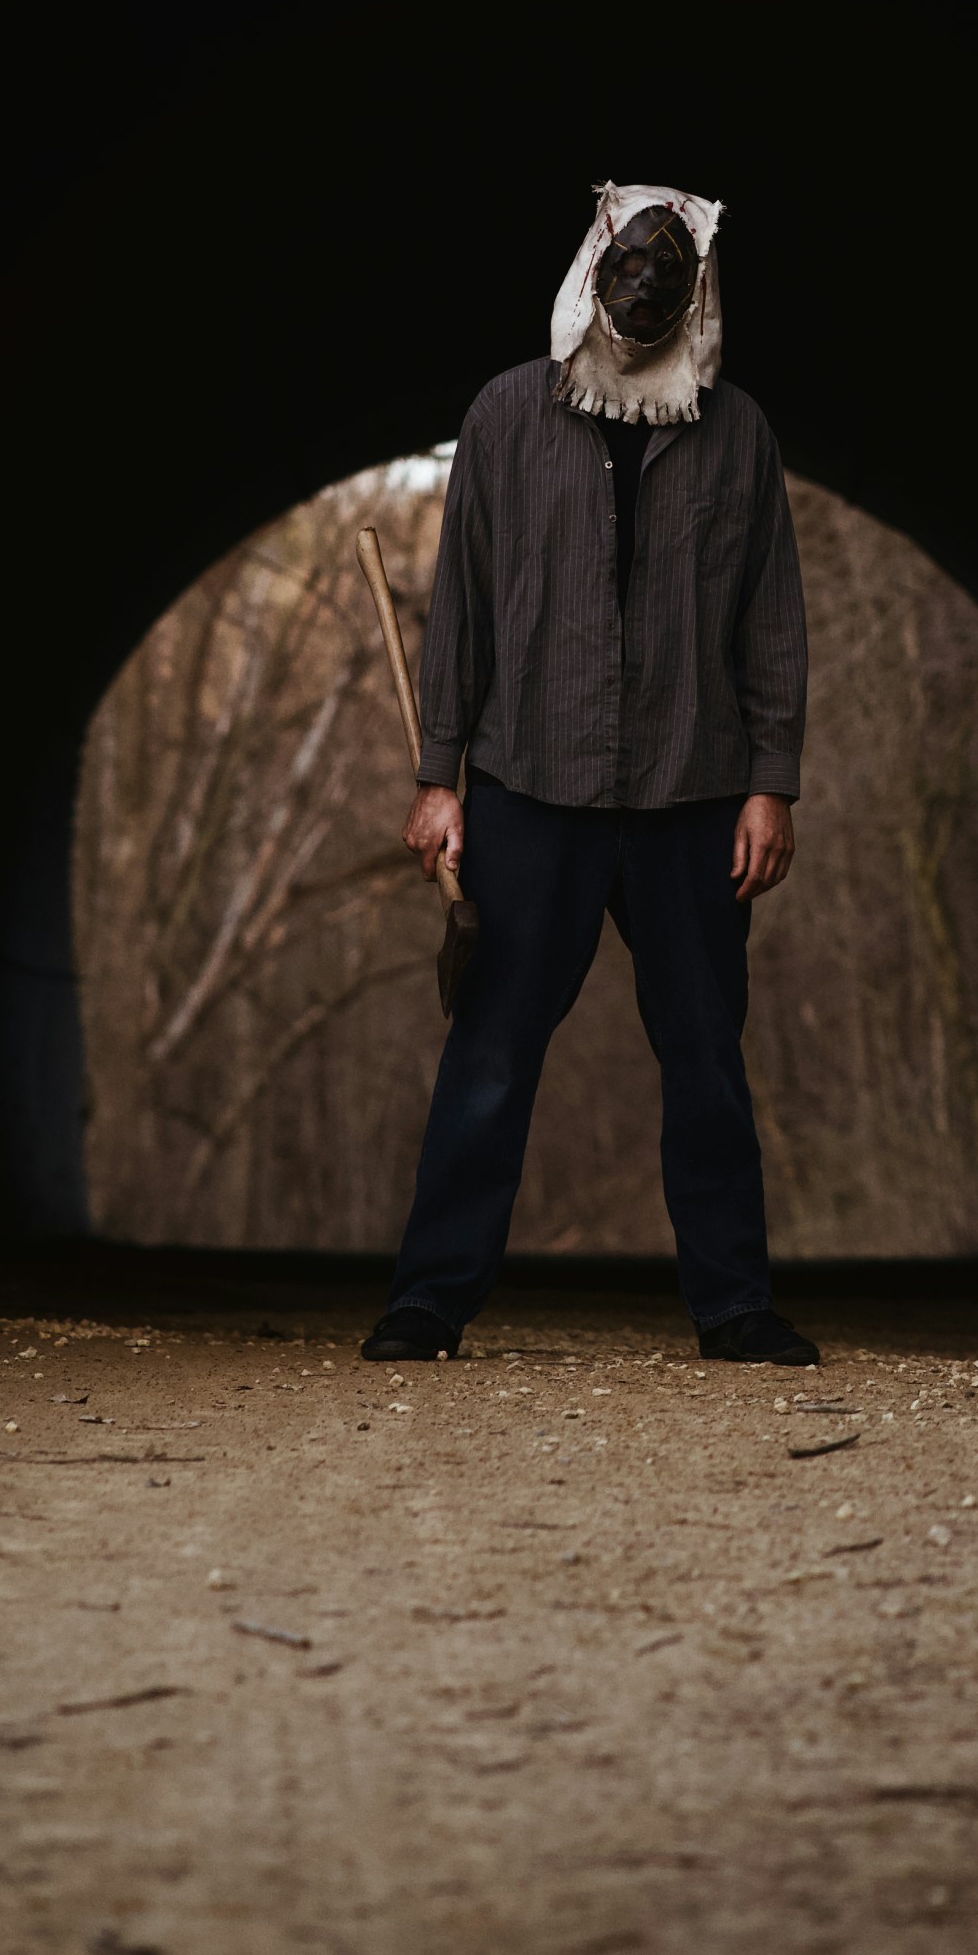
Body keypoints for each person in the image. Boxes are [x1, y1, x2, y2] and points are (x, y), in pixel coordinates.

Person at [361, 184, 819, 1367]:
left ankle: (735, 1307)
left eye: (669, 281)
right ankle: (430, 1301)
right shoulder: (508, 417)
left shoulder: (739, 431)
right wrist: (436, 777)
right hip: (529, 786)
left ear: (697, 289)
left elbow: (771, 618)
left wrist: (772, 782)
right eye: (629, 275)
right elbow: (459, 607)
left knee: (708, 1058)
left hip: (693, 794)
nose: (646, 296)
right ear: (591, 270)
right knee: (489, 1054)